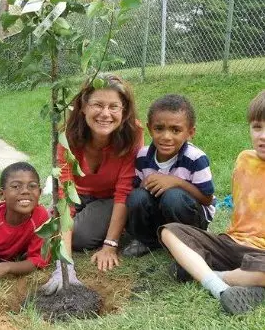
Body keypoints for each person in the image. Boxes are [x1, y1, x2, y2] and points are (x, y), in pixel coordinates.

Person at [160, 90, 265, 315]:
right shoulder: (244, 159)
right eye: (257, 127)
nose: (262, 136)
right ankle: (224, 287)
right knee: (170, 232)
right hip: (231, 243)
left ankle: (214, 277)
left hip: (263, 255)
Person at [41, 73, 143, 295]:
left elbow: (124, 192)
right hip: (78, 195)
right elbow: (66, 193)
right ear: (84, 107)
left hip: (109, 199)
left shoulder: (133, 133)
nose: (105, 114)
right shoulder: (67, 136)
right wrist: (64, 264)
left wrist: (110, 245)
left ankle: (115, 228)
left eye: (114, 106)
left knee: (79, 236)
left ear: (123, 110)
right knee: (43, 230)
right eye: (97, 104)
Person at [123, 94, 215, 257]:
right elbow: (137, 189)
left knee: (173, 196)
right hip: (160, 213)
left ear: (190, 132)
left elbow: (207, 199)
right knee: (136, 197)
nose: (166, 137)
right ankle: (147, 241)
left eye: (176, 130)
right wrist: (144, 185)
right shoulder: (143, 156)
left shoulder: (196, 158)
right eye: (159, 128)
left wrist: (176, 182)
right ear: (150, 128)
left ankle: (187, 241)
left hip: (190, 216)